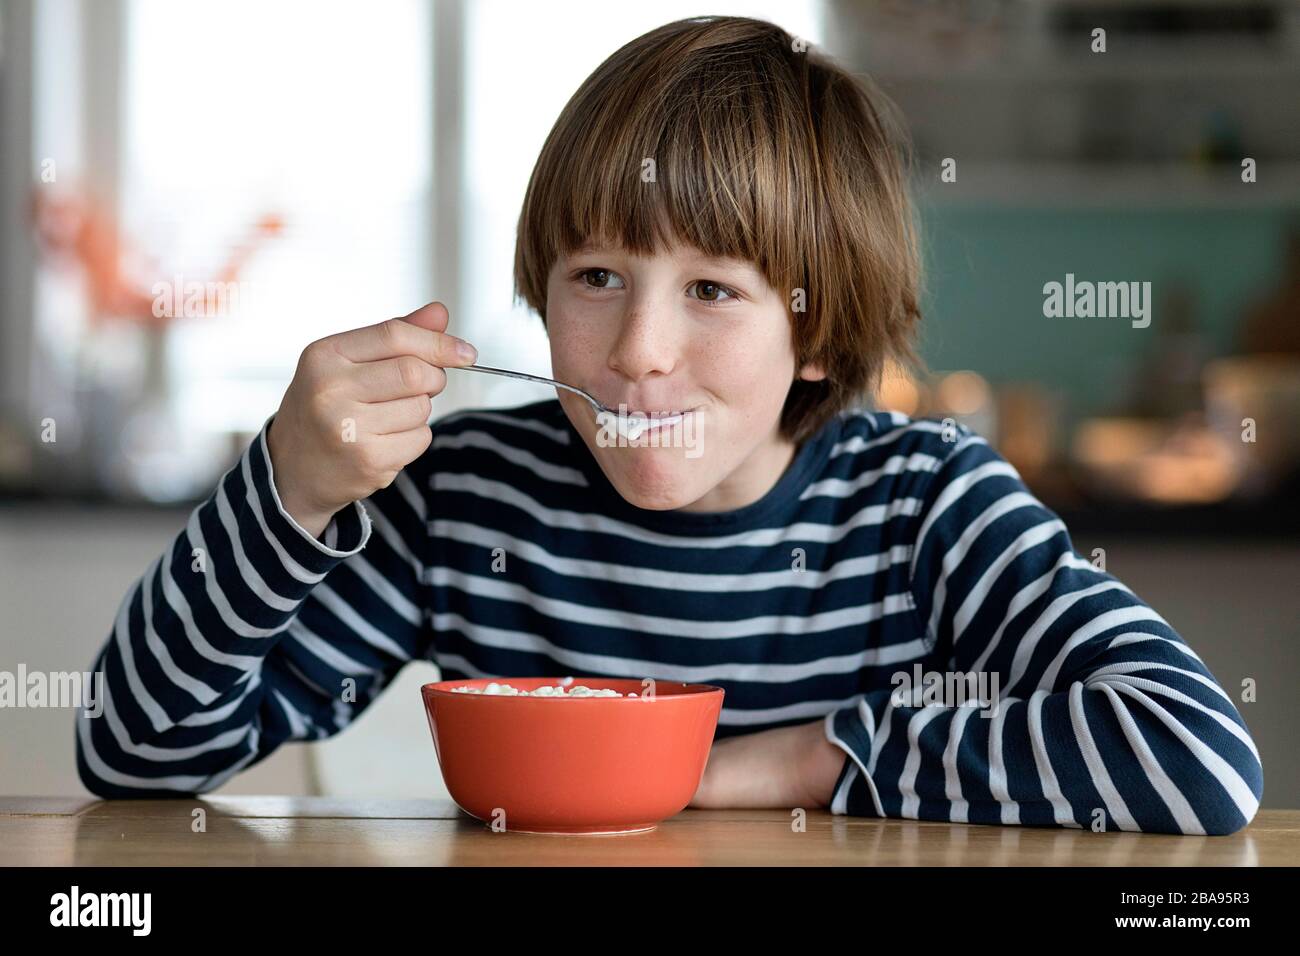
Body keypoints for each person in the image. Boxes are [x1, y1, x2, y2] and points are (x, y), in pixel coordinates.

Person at [76, 16, 1262, 834]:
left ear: (820, 335)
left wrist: (803, 758)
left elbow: (1194, 756)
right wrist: (286, 490)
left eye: (711, 290)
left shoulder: (923, 505)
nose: (638, 347)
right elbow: (133, 758)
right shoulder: (467, 498)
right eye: (595, 275)